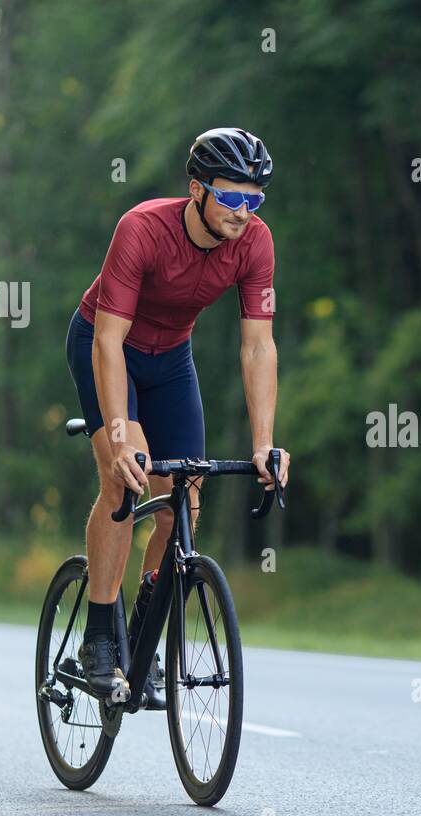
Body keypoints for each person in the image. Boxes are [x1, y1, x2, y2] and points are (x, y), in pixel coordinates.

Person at [65, 127, 291, 703]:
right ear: (197, 189)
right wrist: (120, 434)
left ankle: (141, 637)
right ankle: (97, 638)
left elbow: (258, 346)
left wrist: (265, 442)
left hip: (171, 361)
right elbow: (109, 342)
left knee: (183, 500)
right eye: (232, 196)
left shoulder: (256, 244)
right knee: (126, 480)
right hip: (104, 343)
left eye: (254, 199)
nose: (244, 211)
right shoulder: (142, 229)